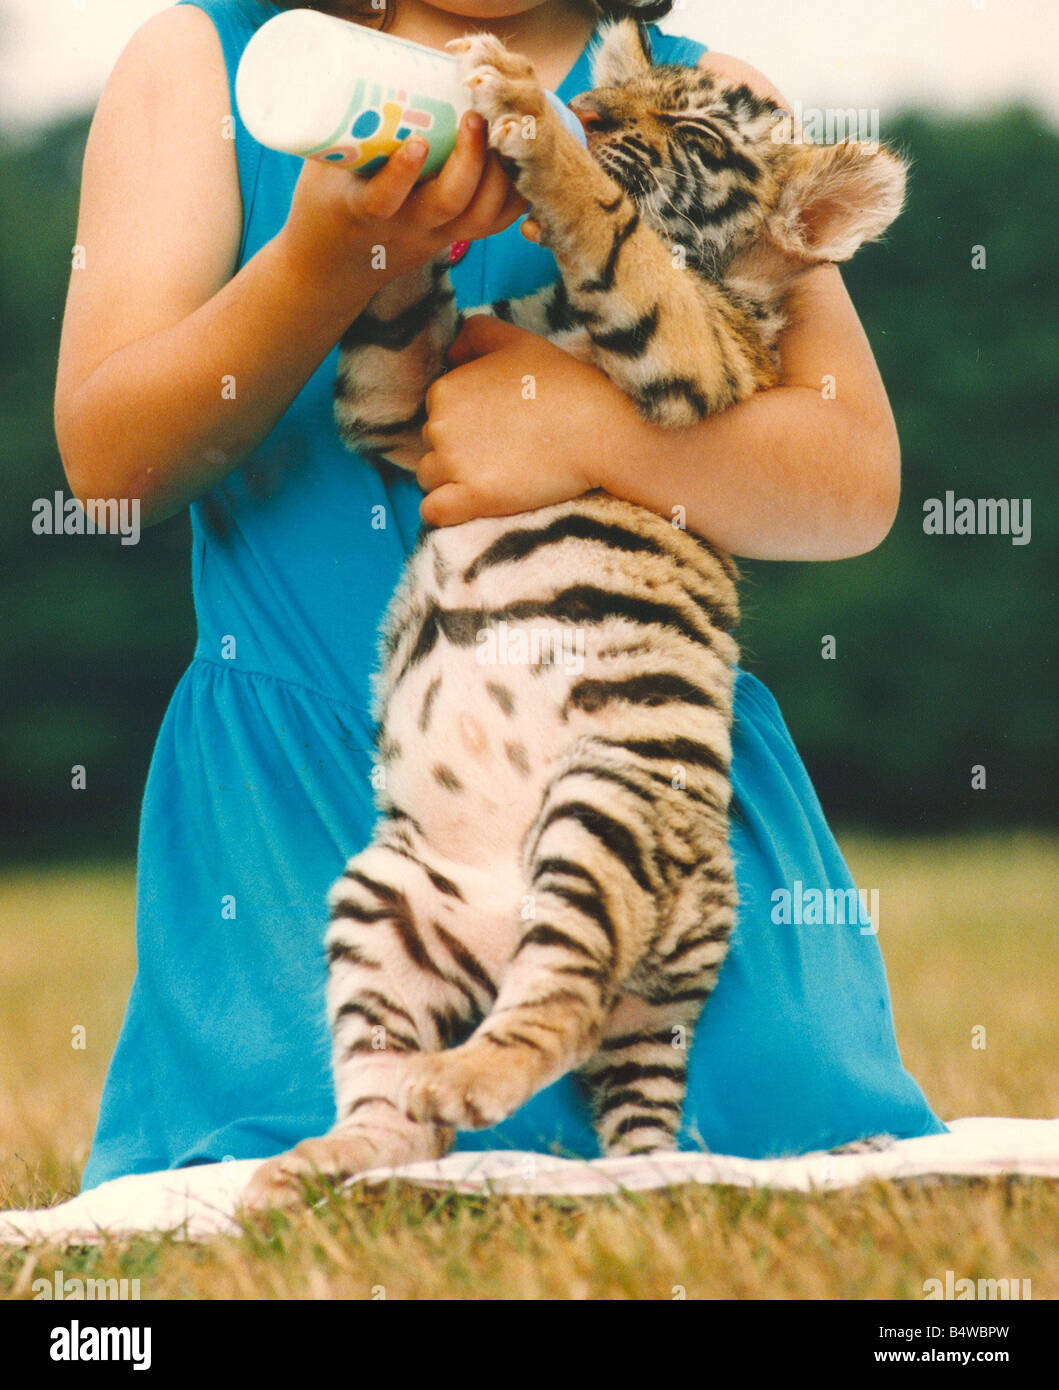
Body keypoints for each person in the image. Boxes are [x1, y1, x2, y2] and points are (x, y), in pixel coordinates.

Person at [55, 0, 944, 1192]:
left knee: (756, 1114)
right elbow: (112, 470)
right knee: (304, 1122)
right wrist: (330, 260)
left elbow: (855, 480)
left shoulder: (695, 95)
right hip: (318, 806)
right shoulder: (211, 71)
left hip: (643, 784)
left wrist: (590, 429)